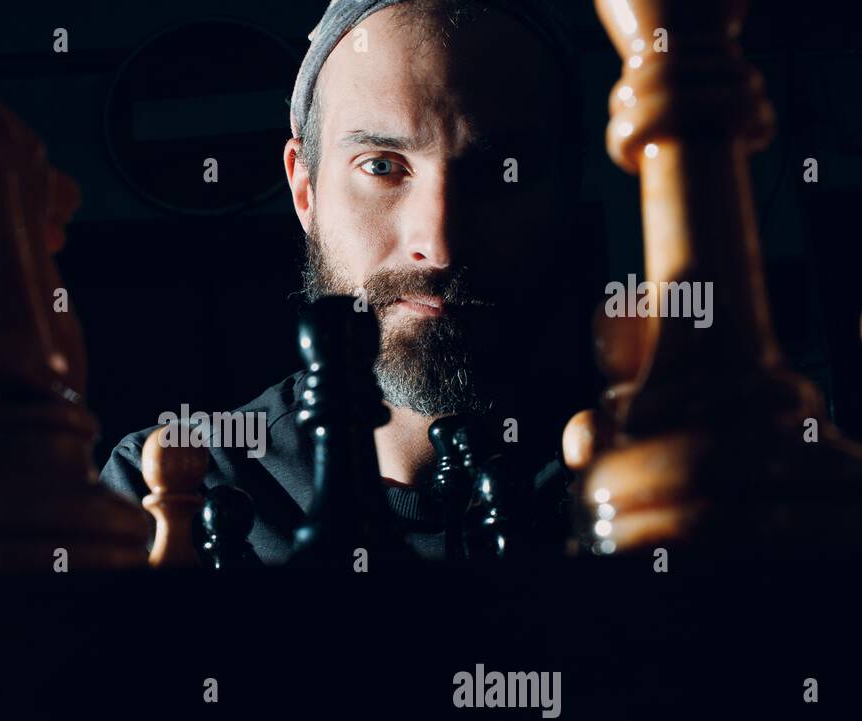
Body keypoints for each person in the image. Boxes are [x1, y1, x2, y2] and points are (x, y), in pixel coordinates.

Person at [101, 0, 587, 563]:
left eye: (504, 170)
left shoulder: (665, 483)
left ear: (565, 195)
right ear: (305, 191)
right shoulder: (166, 489)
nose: (438, 242)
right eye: (381, 165)